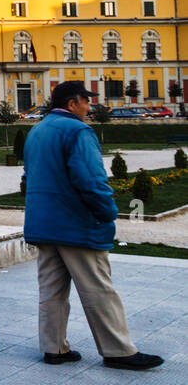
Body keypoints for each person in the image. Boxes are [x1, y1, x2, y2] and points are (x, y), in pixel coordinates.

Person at [24, 80, 163, 370]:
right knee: (98, 288)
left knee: (51, 289)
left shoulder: (36, 131)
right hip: (76, 224)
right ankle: (118, 351)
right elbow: (90, 180)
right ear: (72, 104)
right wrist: (107, 211)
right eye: (86, 101)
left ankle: (54, 349)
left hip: (43, 223)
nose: (90, 107)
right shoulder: (78, 131)